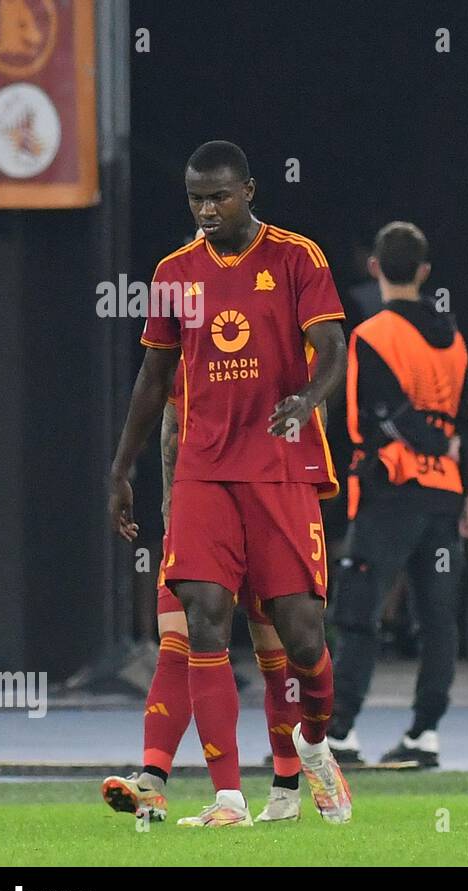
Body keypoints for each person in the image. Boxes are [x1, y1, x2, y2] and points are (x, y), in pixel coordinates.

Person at [107, 140, 353, 826]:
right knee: (202, 622)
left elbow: (334, 346)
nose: (207, 209)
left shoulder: (297, 257)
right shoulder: (173, 273)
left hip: (279, 469)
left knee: (302, 641)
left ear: (248, 189)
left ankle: (312, 745)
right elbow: (154, 378)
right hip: (204, 471)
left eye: (218, 196)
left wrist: (307, 398)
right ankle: (226, 798)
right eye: (195, 198)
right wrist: (121, 468)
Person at [100, 373, 305, 823]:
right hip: (201, 522)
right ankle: (157, 783)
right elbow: (171, 426)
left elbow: (309, 426)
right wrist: (176, 517)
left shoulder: (276, 344)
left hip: (268, 514)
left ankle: (286, 789)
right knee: (178, 648)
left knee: (277, 660)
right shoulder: (185, 348)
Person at [326, 221, 468, 769]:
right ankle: (424, 733)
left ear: (374, 268)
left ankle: (341, 733)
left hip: (390, 493)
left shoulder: (372, 336)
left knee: (358, 611)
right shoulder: (454, 336)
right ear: (423, 271)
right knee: (438, 620)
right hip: (444, 498)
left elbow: (383, 414)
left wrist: (431, 440)